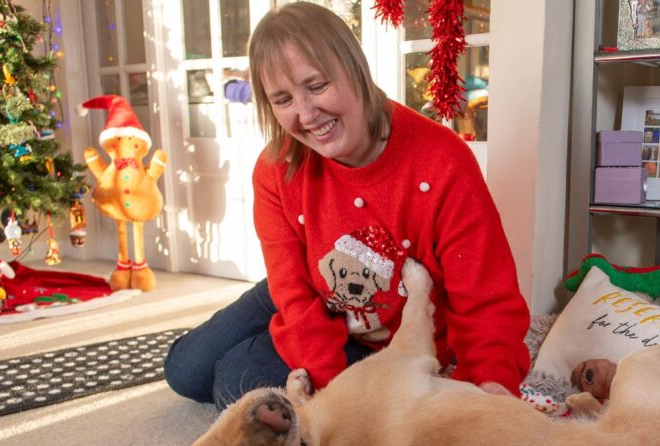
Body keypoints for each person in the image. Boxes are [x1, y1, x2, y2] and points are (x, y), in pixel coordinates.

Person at [164, 2, 531, 410]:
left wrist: (489, 387)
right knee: (184, 371)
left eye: (317, 86)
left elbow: (486, 299)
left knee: (237, 377)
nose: (306, 114)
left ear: (354, 68)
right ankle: (282, 333)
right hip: (307, 281)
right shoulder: (275, 169)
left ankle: (278, 341)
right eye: (283, 99)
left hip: (387, 327)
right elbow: (293, 292)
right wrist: (333, 388)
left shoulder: (442, 162)